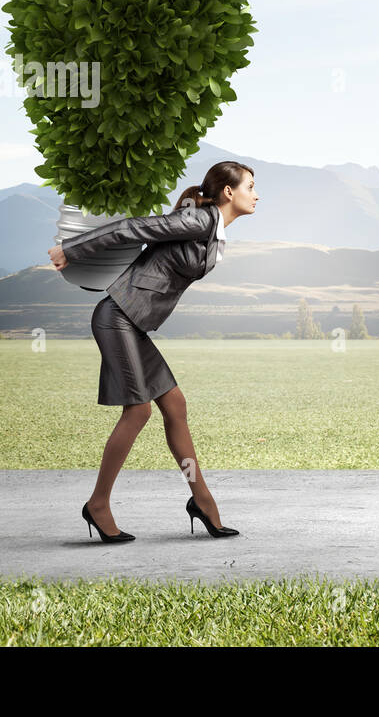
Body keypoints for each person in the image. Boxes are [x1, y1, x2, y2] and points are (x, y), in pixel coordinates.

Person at [47, 161, 259, 542]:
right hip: (117, 316)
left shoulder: (211, 228)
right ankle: (98, 504)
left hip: (134, 322)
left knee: (175, 407)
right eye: (251, 186)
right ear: (229, 192)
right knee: (139, 410)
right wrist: (72, 249)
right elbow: (133, 227)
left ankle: (202, 499)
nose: (256, 195)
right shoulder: (198, 221)